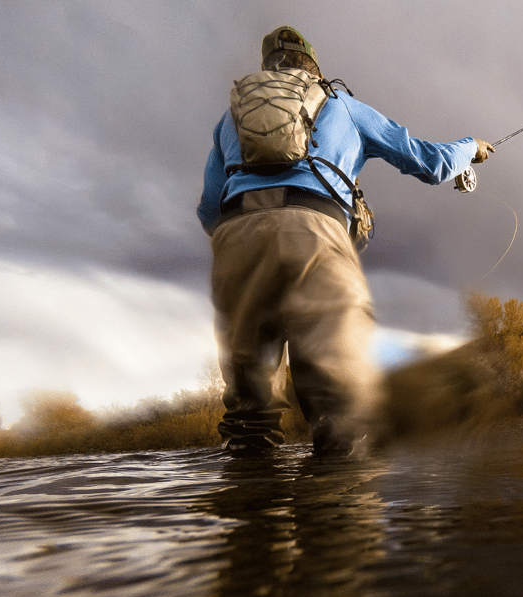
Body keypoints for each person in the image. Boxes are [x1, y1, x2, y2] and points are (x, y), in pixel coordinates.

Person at [197, 26, 493, 457]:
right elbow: (431, 163)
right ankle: (337, 515)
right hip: (316, 233)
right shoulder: (343, 106)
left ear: (266, 73)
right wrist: (472, 147)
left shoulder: (230, 120)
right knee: (342, 411)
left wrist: (251, 247)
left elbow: (209, 210)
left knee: (248, 420)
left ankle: (252, 511)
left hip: (235, 239)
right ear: (314, 69)